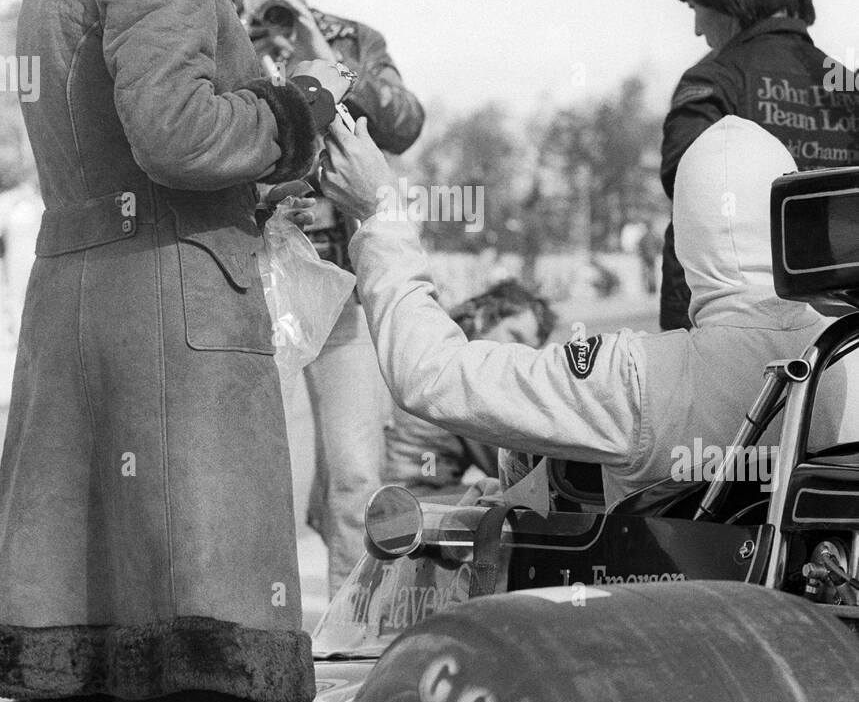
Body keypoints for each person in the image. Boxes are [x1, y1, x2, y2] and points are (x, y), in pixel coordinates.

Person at [1, 0, 352, 702]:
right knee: (192, 660)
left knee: (89, 659)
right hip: (175, 344)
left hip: (80, 323)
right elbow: (180, 132)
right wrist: (299, 108)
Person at [319, 114, 854, 512]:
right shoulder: (846, 352)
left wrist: (380, 215)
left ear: (683, 241)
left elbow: (429, 373)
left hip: (674, 644)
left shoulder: (636, 376)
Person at [216, 0, 424, 595]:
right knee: (265, 476)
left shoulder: (347, 40)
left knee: (356, 475)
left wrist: (325, 59)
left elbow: (402, 123)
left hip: (340, 282)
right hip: (251, 282)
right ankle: (264, 630)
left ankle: (351, 627)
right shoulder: (215, 35)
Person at [660, 0, 859, 330]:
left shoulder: (714, 80)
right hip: (844, 342)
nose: (697, 28)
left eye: (695, 6)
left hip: (736, 343)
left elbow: (691, 197)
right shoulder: (848, 85)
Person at [383, 279, 553, 499]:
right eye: (515, 337)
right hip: (413, 498)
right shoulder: (471, 373)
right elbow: (507, 465)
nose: (520, 354)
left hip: (396, 491)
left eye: (529, 350)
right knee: (516, 500)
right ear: (483, 319)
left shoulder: (442, 344)